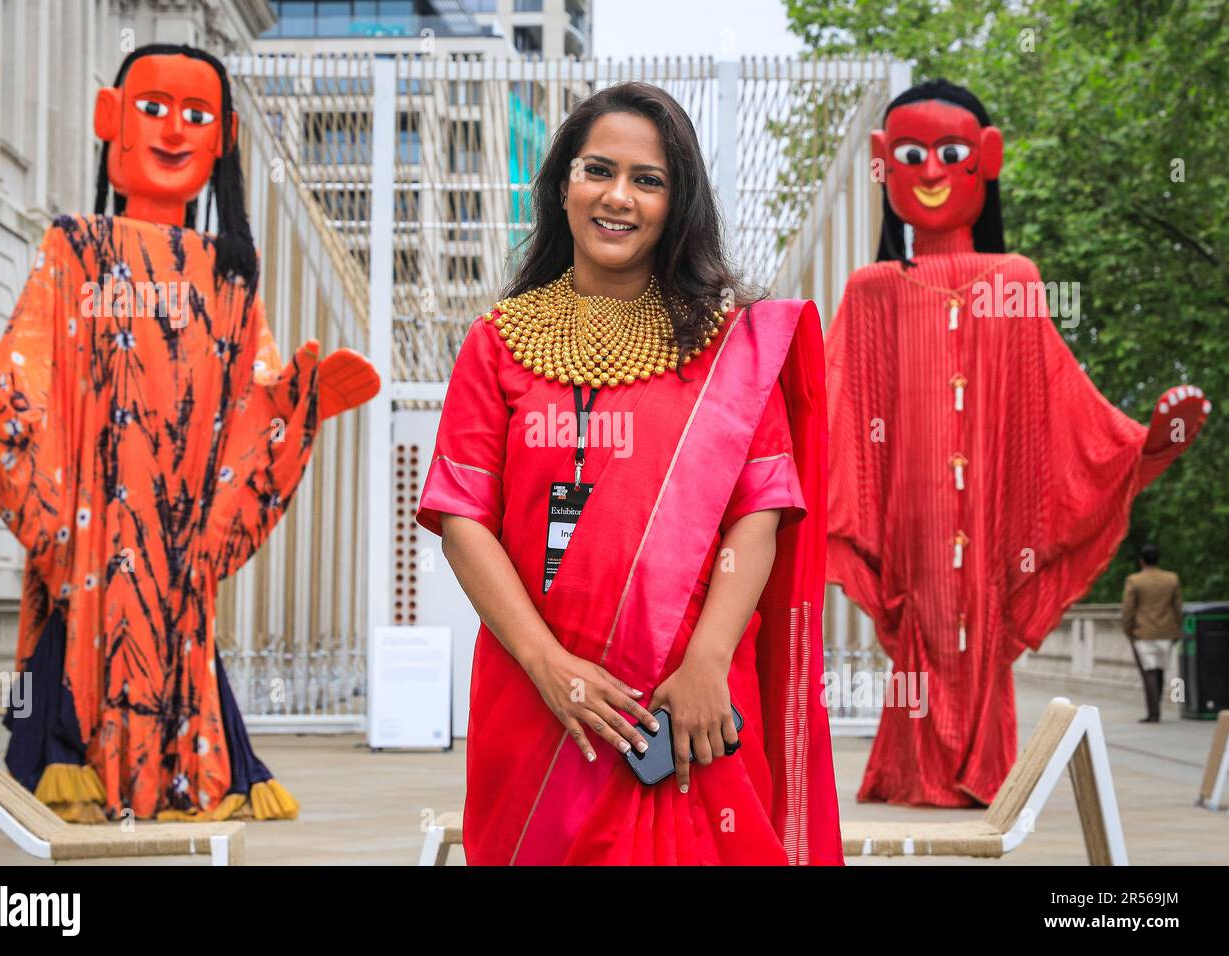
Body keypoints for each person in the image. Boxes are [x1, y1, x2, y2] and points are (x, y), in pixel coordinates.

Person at [0, 45, 379, 823]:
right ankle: (80, 769)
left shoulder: (231, 273)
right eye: (153, 108)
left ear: (224, 138)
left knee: (172, 630)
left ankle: (178, 776)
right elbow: (28, 369)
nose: (174, 131)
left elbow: (255, 392)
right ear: (111, 118)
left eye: (197, 116)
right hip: (94, 518)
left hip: (176, 529)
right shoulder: (73, 246)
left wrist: (299, 404)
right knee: (88, 629)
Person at [415, 82, 842, 865]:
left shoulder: (728, 348)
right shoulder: (497, 342)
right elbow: (462, 518)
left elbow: (762, 511)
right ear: (562, 186)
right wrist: (551, 669)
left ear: (677, 203)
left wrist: (709, 660)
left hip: (692, 691)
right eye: (597, 171)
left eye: (648, 180)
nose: (619, 197)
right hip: (538, 694)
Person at [825, 79, 1210, 807]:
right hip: (911, 523)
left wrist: (1138, 447)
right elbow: (836, 402)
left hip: (995, 520)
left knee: (981, 618)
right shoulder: (872, 289)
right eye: (912, 154)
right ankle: (915, 769)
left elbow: (1061, 408)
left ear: (987, 159)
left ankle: (970, 771)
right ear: (884, 162)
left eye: (951, 153)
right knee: (932, 624)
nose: (932, 173)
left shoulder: (1015, 280)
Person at [1122, 543, 1183, 723]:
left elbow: (1128, 610)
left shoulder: (1135, 580)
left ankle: (1153, 712)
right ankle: (1156, 708)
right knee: (1159, 670)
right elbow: (1178, 607)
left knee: (1148, 671)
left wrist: (1129, 632)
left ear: (1141, 561)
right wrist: (1176, 629)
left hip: (1143, 633)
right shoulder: (1171, 579)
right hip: (1166, 632)